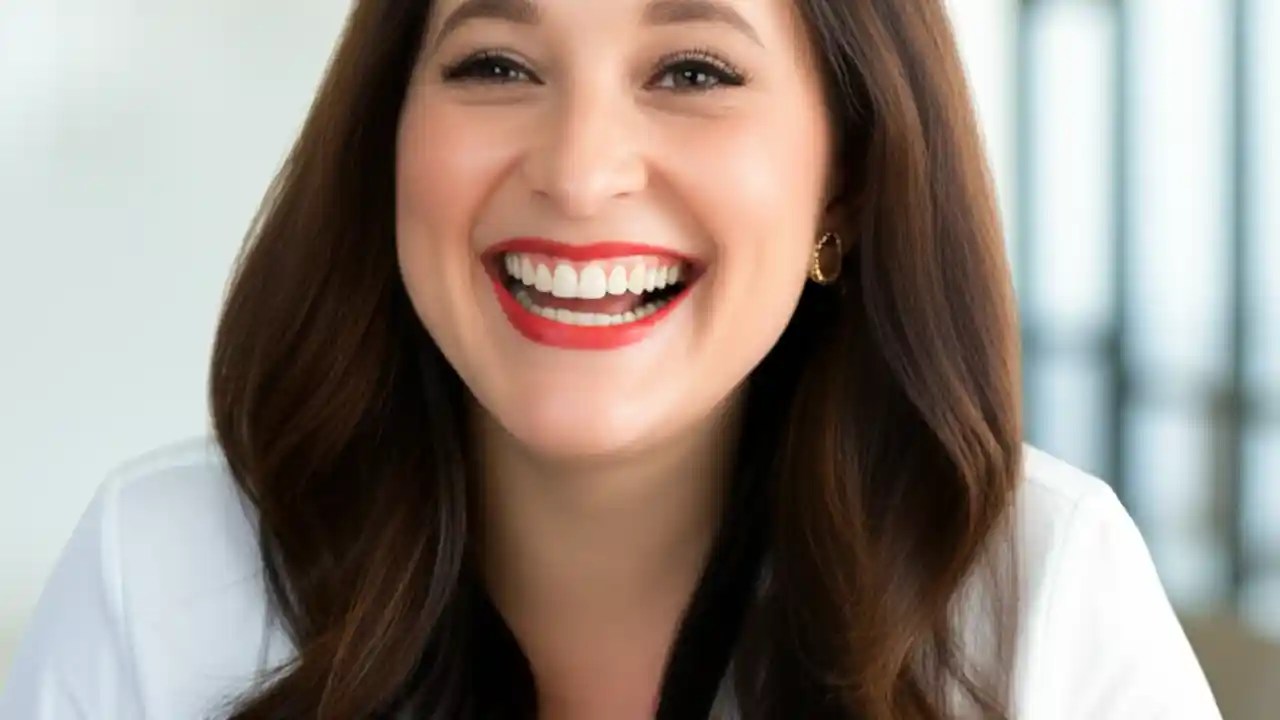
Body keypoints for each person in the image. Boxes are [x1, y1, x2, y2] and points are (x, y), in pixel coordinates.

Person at [1, 0, 1223, 718]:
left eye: (691, 70)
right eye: (495, 64)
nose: (580, 171)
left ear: (841, 180)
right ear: (387, 137)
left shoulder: (1041, 601)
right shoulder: (154, 578)